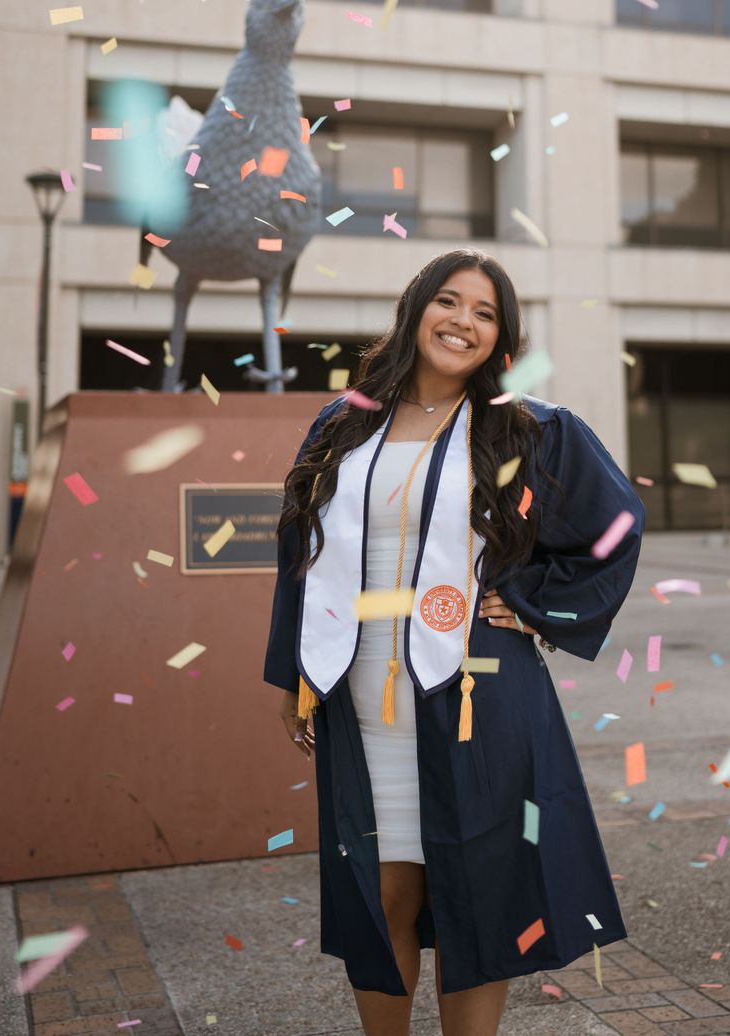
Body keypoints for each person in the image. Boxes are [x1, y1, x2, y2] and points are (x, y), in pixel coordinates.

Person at [264, 248, 646, 1036]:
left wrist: (535, 603)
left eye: (484, 313)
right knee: (383, 892)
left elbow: (616, 527)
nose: (462, 322)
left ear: (499, 337)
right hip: (358, 690)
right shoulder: (344, 424)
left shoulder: (527, 427)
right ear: (415, 310)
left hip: (475, 689)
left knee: (480, 892)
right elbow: (299, 549)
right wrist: (290, 674)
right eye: (449, 301)